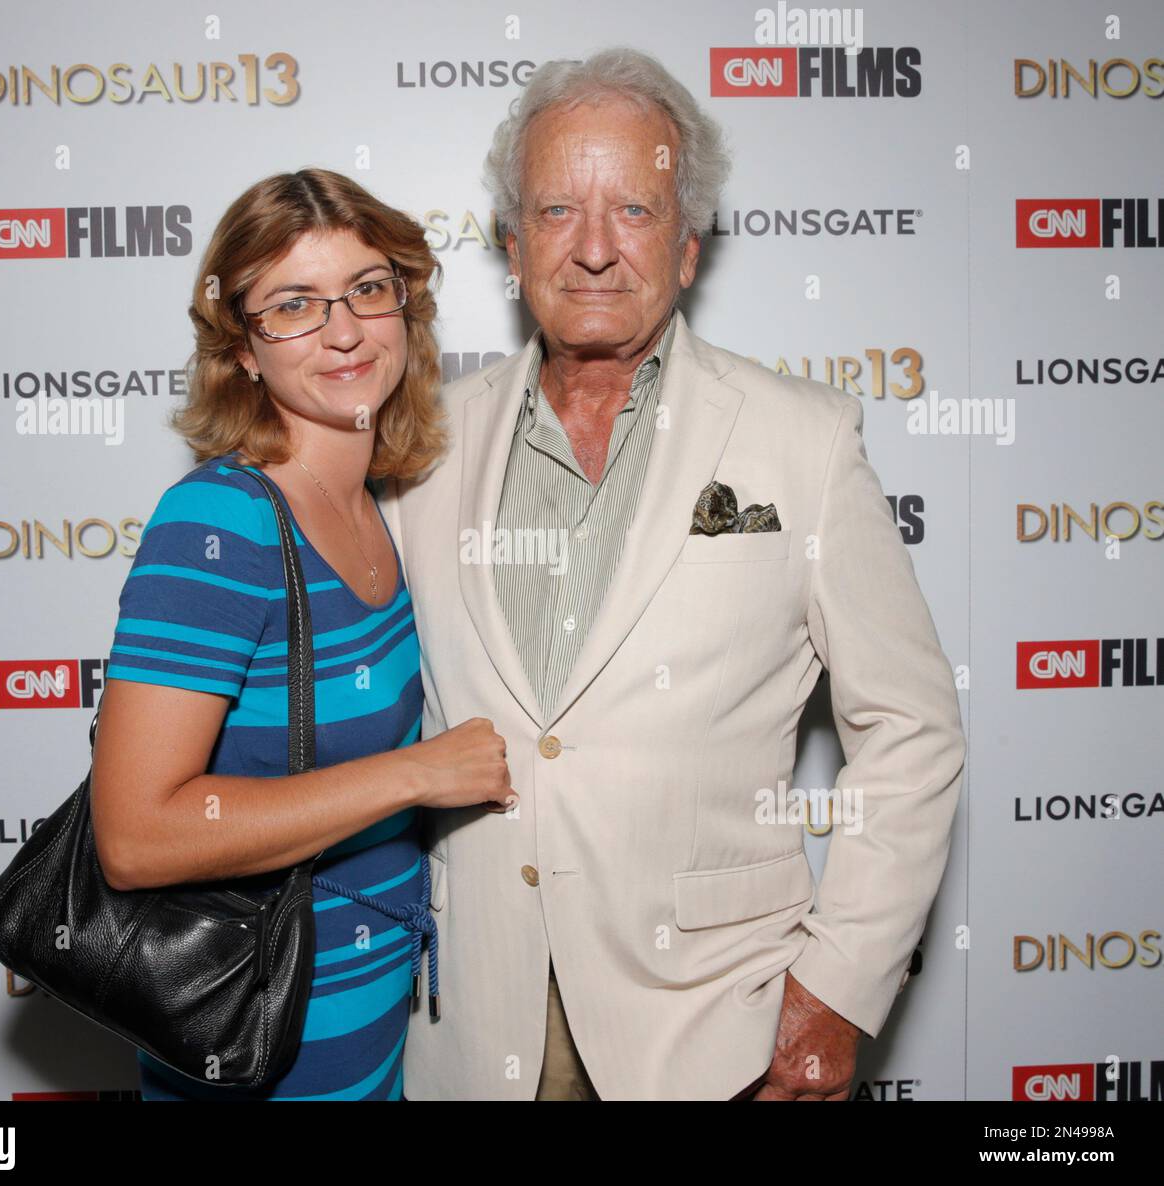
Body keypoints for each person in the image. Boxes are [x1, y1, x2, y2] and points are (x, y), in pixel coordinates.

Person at [379, 47, 967, 1100]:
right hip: (472, 1029)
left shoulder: (804, 441)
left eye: (635, 212)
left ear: (688, 246)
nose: (594, 250)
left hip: (718, 1030)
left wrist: (835, 988)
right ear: (512, 245)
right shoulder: (421, 447)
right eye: (557, 210)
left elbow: (912, 729)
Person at [89, 168, 514, 1101]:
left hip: (380, 1050)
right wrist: (417, 772)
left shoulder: (382, 506)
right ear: (241, 348)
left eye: (368, 288)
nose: (344, 329)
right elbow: (134, 834)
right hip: (257, 1060)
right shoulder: (220, 525)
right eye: (293, 304)